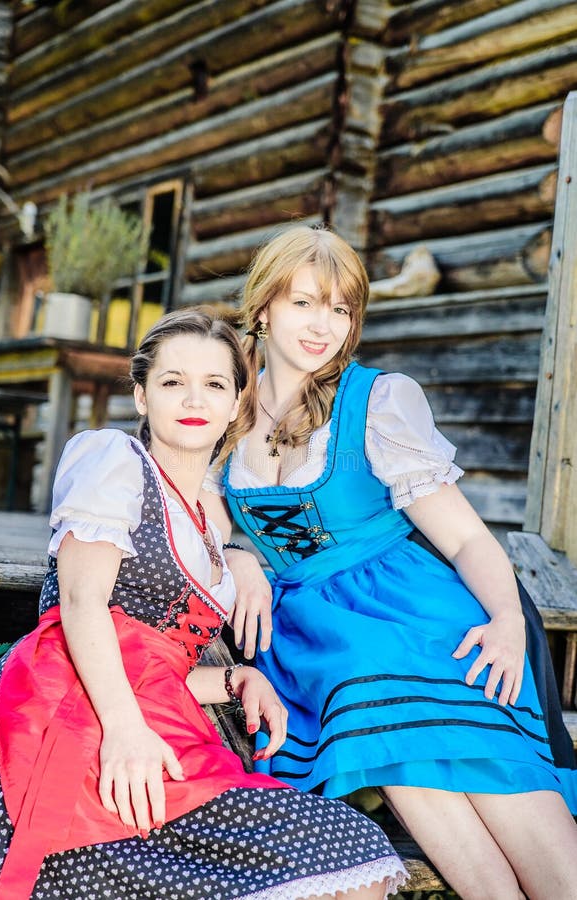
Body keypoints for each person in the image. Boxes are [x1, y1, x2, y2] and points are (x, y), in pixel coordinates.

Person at [201, 224, 577, 900]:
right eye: (305, 304)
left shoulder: (376, 400)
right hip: (320, 645)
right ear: (261, 308)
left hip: (411, 617)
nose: (325, 326)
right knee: (371, 700)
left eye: (341, 309)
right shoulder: (226, 409)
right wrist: (241, 555)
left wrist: (504, 621)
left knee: (474, 771)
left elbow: (464, 539)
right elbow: (208, 523)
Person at [0, 310, 408, 900]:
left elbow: (160, 670)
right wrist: (126, 734)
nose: (192, 399)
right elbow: (81, 606)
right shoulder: (113, 461)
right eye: (172, 381)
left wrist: (235, 679)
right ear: (141, 395)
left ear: (237, 405)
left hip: (162, 715)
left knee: (355, 857)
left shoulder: (215, 514)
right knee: (338, 855)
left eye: (214, 384)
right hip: (69, 705)